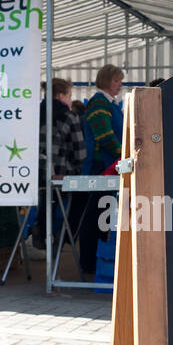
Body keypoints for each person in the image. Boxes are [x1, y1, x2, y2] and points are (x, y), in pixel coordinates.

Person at [30, 78, 86, 254]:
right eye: (69, 96)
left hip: (32, 175)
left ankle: (39, 228)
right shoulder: (69, 116)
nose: (70, 100)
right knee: (81, 198)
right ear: (61, 96)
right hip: (60, 174)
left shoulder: (32, 113)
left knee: (45, 198)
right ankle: (64, 236)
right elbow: (80, 153)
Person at [79, 65, 124, 276]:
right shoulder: (99, 103)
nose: (120, 84)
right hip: (99, 166)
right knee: (94, 216)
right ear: (105, 80)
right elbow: (105, 136)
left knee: (102, 215)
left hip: (109, 166)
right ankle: (89, 264)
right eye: (116, 81)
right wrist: (124, 153)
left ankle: (96, 262)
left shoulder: (110, 103)